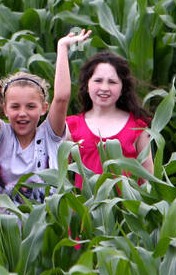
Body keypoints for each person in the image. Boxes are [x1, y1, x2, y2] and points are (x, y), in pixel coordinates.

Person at [0, 29, 80, 203]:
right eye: (15, 107)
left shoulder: (50, 135)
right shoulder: (2, 136)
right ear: (5, 109)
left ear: (44, 108)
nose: (22, 113)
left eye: (31, 106)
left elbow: (61, 98)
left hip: (49, 228)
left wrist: (62, 47)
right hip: (7, 229)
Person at [64, 49, 154, 190]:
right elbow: (59, 175)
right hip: (85, 209)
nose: (104, 88)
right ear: (87, 85)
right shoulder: (72, 125)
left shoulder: (137, 125)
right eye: (98, 81)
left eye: (112, 82)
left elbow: (149, 178)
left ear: (123, 87)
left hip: (128, 209)